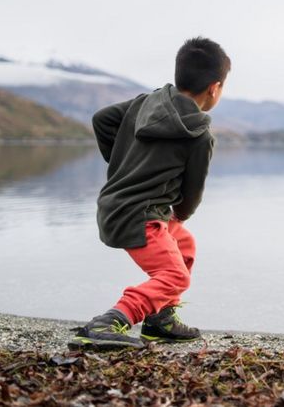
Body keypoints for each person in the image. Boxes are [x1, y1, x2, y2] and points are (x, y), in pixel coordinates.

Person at [68, 37, 230, 350]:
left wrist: (123, 167)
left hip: (116, 206)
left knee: (184, 244)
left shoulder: (148, 102)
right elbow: (191, 195)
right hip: (139, 216)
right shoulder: (199, 134)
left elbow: (102, 120)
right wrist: (178, 215)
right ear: (214, 87)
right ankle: (112, 320)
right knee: (176, 276)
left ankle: (161, 319)